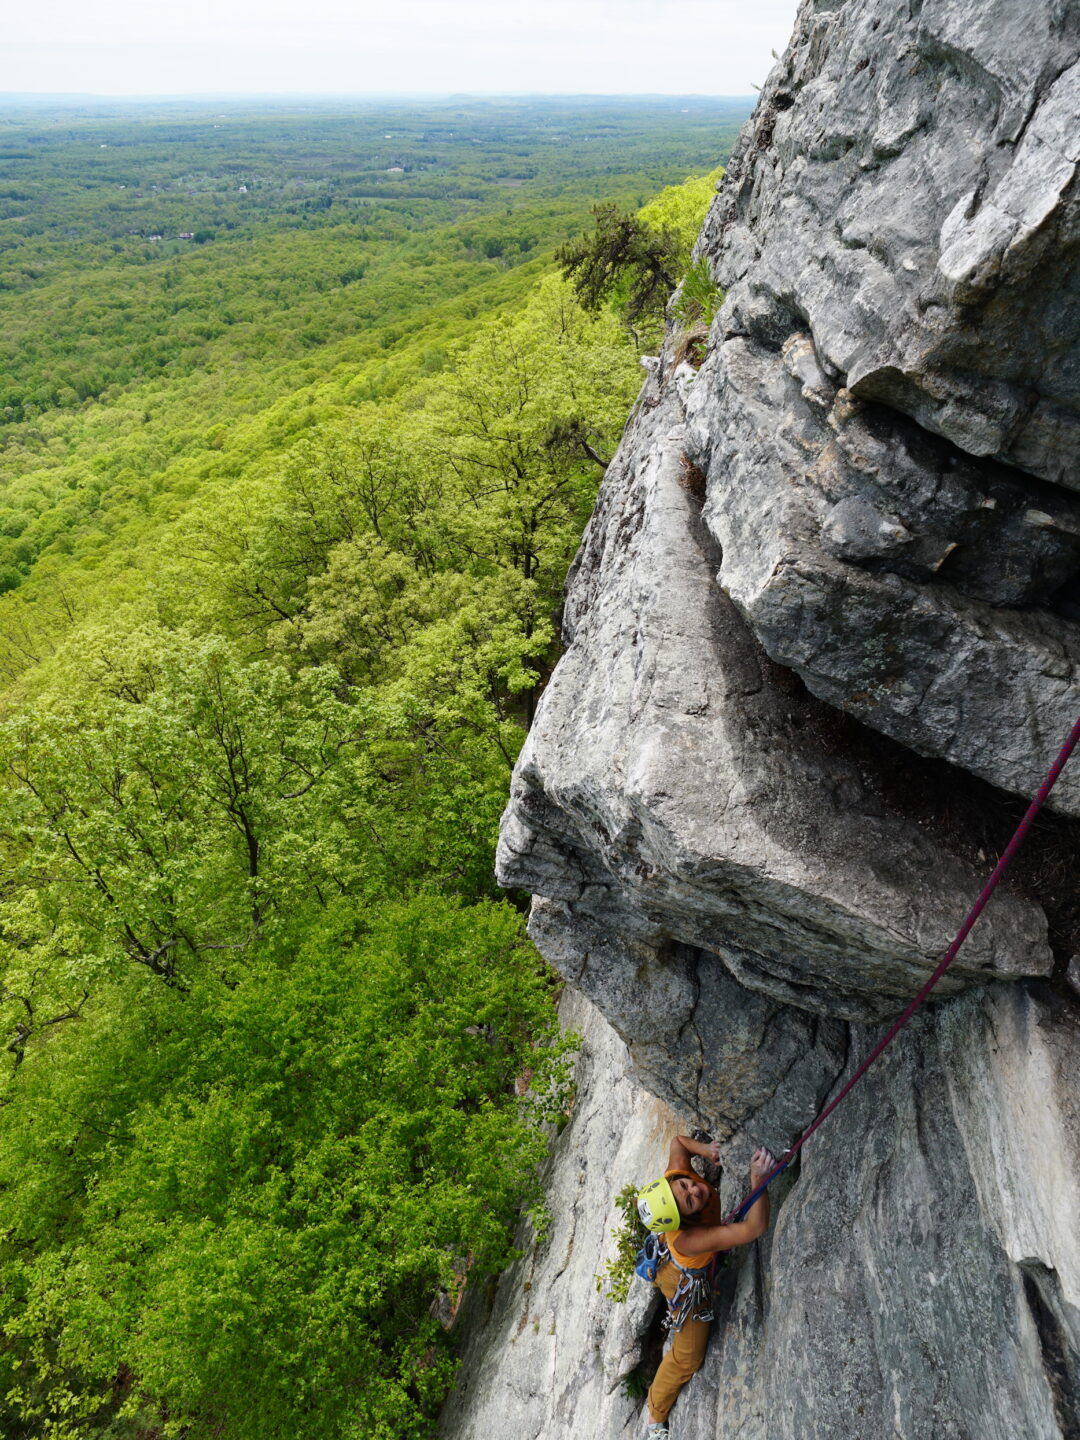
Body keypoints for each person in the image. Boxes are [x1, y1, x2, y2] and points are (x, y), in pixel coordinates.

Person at [636, 1134, 776, 1439]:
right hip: (683, 1281)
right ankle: (654, 1418)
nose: (695, 1189)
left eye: (685, 1185)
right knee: (688, 1358)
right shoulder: (689, 1238)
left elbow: (676, 1143)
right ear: (682, 1221)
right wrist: (758, 1179)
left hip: (673, 1258)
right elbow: (755, 1227)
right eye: (689, 1201)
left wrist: (706, 1150)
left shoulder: (675, 1178)